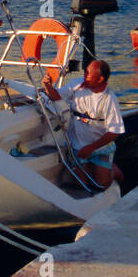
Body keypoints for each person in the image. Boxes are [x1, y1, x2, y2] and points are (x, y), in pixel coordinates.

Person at [42, 59, 124, 190]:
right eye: (85, 72)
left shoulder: (109, 98)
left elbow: (115, 132)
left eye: (88, 73)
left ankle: (114, 171)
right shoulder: (77, 84)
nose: (84, 75)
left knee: (102, 185)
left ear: (100, 79)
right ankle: (92, 167)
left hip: (100, 148)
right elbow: (56, 97)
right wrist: (48, 86)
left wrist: (91, 148)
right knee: (80, 184)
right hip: (77, 146)